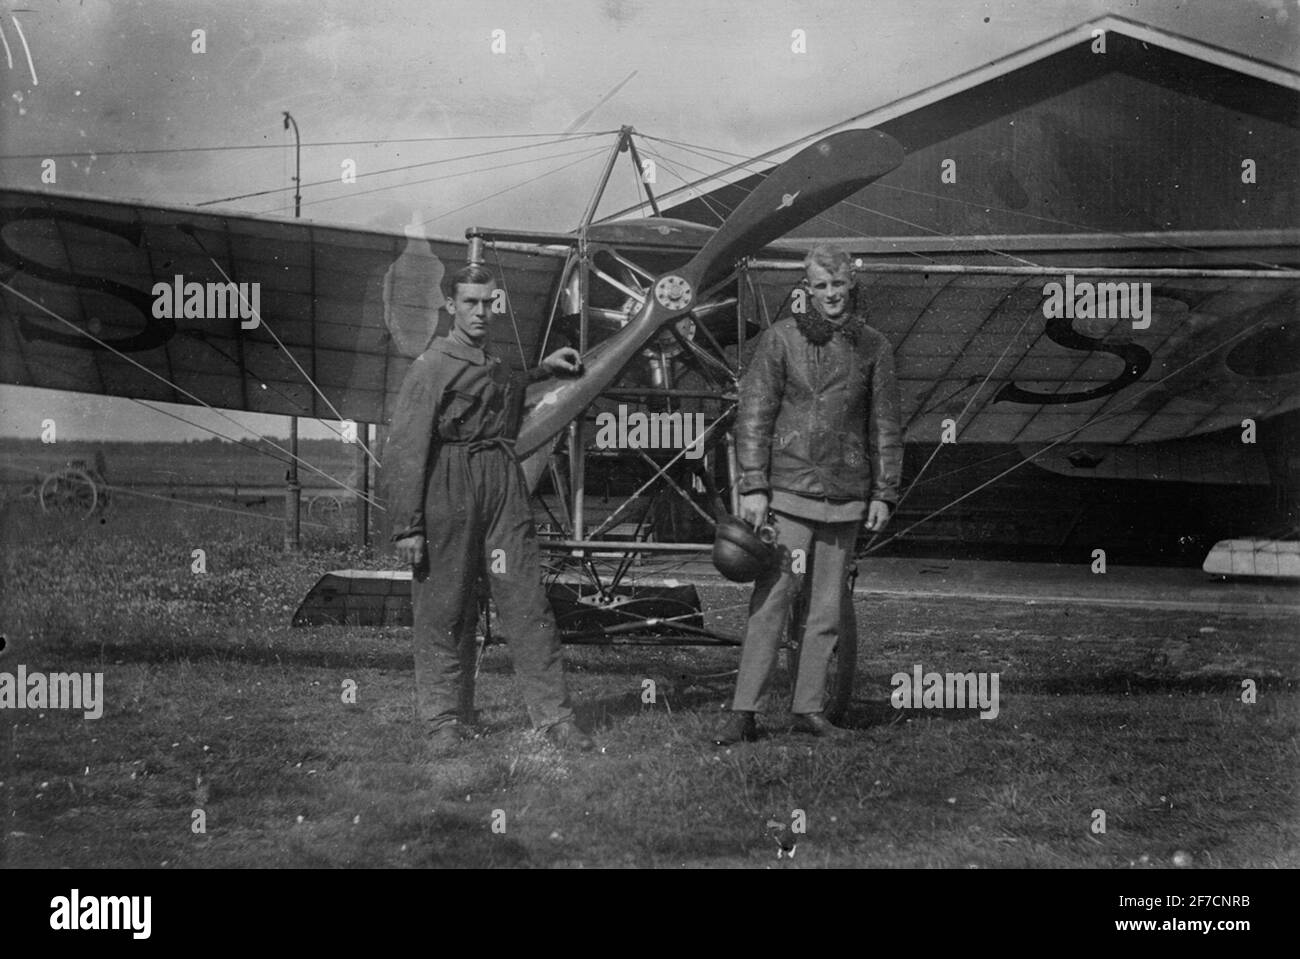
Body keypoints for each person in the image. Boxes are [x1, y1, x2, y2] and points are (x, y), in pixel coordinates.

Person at [387, 263, 596, 754]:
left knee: (527, 602)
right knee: (445, 606)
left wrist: (545, 368)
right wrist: (408, 528)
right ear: (450, 306)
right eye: (470, 303)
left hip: (502, 485)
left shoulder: (491, 362)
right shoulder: (430, 367)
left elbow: (504, 387)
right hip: (449, 485)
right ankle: (443, 720)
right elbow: (406, 449)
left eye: (488, 303)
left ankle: (555, 718)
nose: (481, 312)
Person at [714, 243, 903, 744]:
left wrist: (884, 493)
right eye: (821, 286)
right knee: (773, 599)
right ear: (807, 289)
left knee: (826, 609)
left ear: (851, 287)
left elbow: (885, 425)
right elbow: (753, 417)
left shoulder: (874, 348)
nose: (831, 295)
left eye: (839, 285)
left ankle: (809, 710)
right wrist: (753, 485)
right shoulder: (779, 341)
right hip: (788, 492)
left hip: (847, 495)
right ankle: (743, 713)